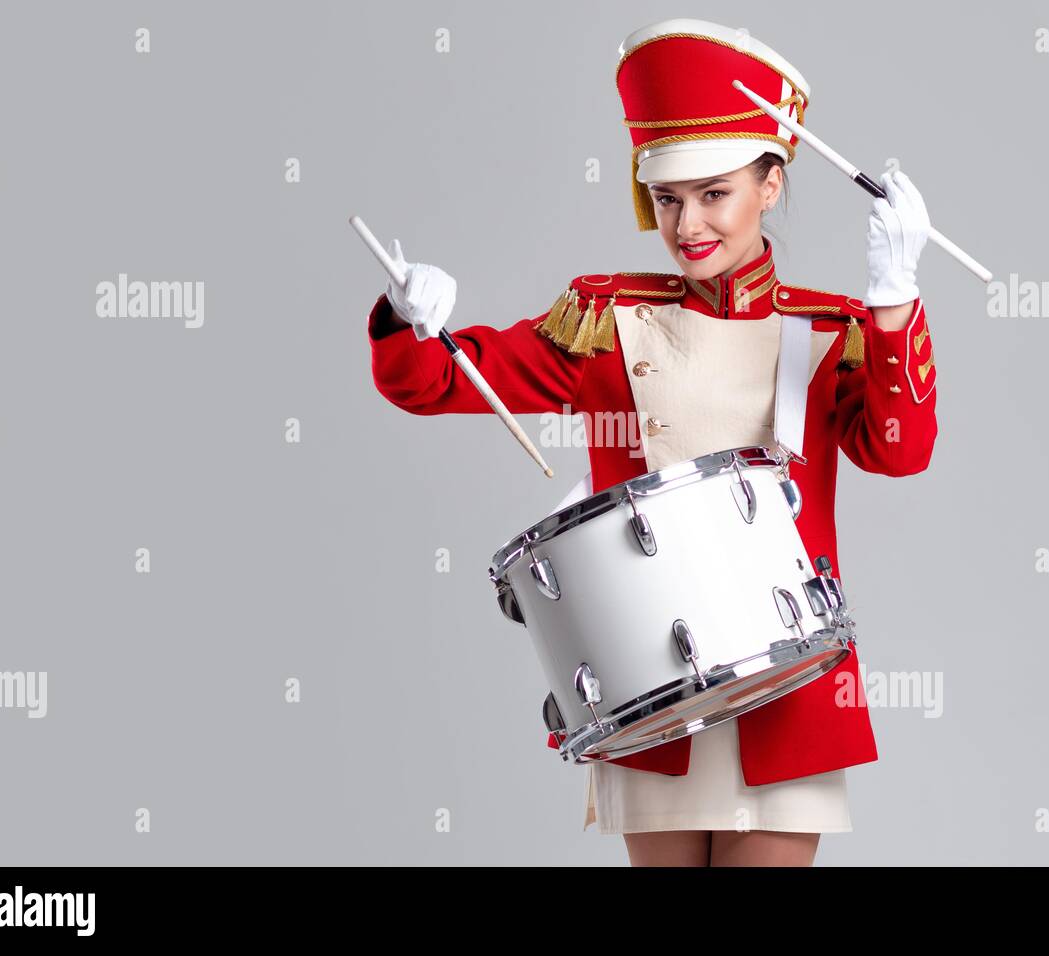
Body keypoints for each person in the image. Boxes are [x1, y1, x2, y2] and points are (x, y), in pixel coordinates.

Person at [365, 18, 938, 867]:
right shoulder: (608, 321)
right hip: (647, 687)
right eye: (668, 199)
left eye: (716, 193)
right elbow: (443, 381)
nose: (688, 224)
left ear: (770, 184)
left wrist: (894, 299)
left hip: (788, 691)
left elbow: (900, 450)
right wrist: (415, 324)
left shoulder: (829, 330)